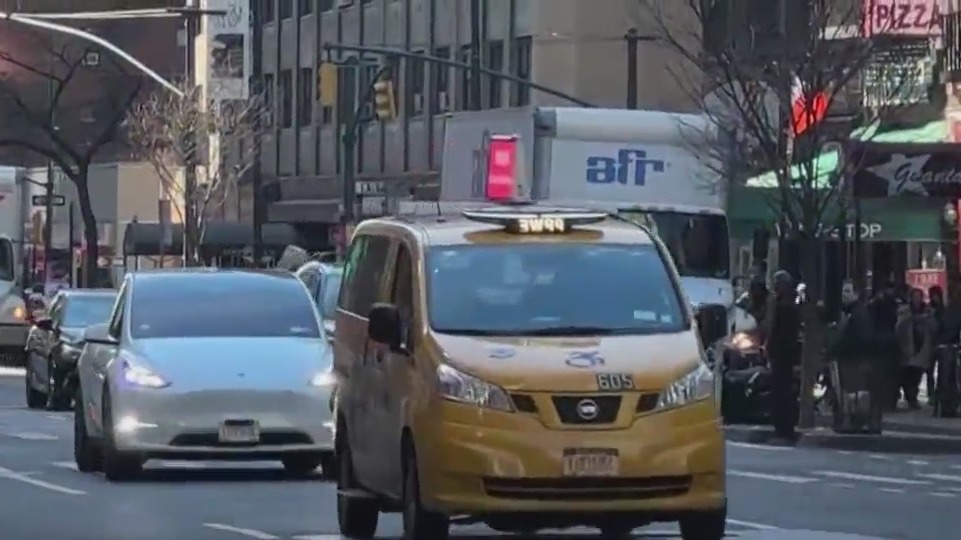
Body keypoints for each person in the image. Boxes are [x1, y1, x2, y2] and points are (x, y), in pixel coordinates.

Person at [762, 270, 802, 441]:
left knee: (780, 392)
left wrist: (767, 347)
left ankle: (783, 429)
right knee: (785, 391)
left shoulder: (781, 306)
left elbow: (772, 330)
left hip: (781, 354)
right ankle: (785, 428)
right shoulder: (791, 305)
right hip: (786, 354)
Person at [895, 288, 935, 409]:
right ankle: (911, 398)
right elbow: (899, 327)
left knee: (917, 375)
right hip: (908, 347)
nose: (917, 300)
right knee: (908, 375)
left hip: (922, 348)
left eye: (919, 297)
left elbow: (933, 326)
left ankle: (913, 397)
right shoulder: (905, 311)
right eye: (915, 297)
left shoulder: (928, 311)